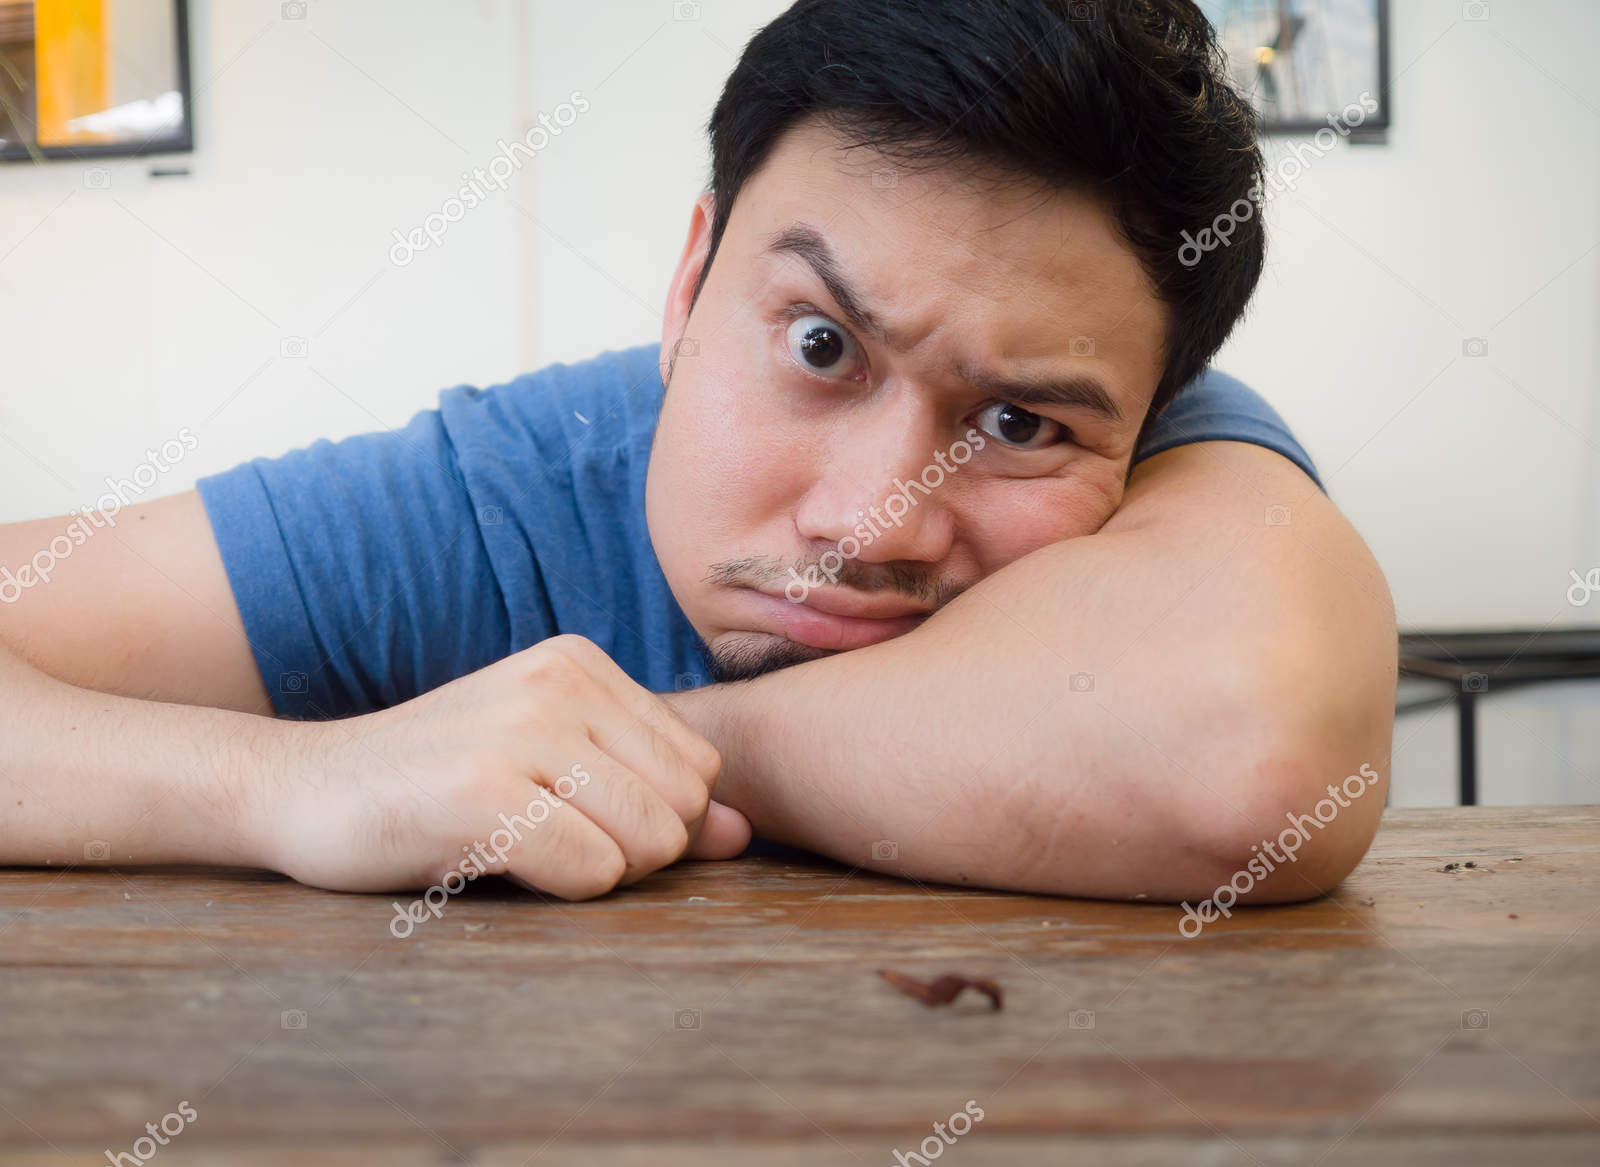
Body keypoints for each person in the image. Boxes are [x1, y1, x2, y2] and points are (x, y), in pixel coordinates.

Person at [0, 0, 1395, 904]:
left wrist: (617, 751)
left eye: (1020, 425)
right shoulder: (500, 494)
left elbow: (1254, 764)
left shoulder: (1184, 453)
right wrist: (302, 782)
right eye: (819, 346)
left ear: (1150, 421)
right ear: (688, 286)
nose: (872, 518)